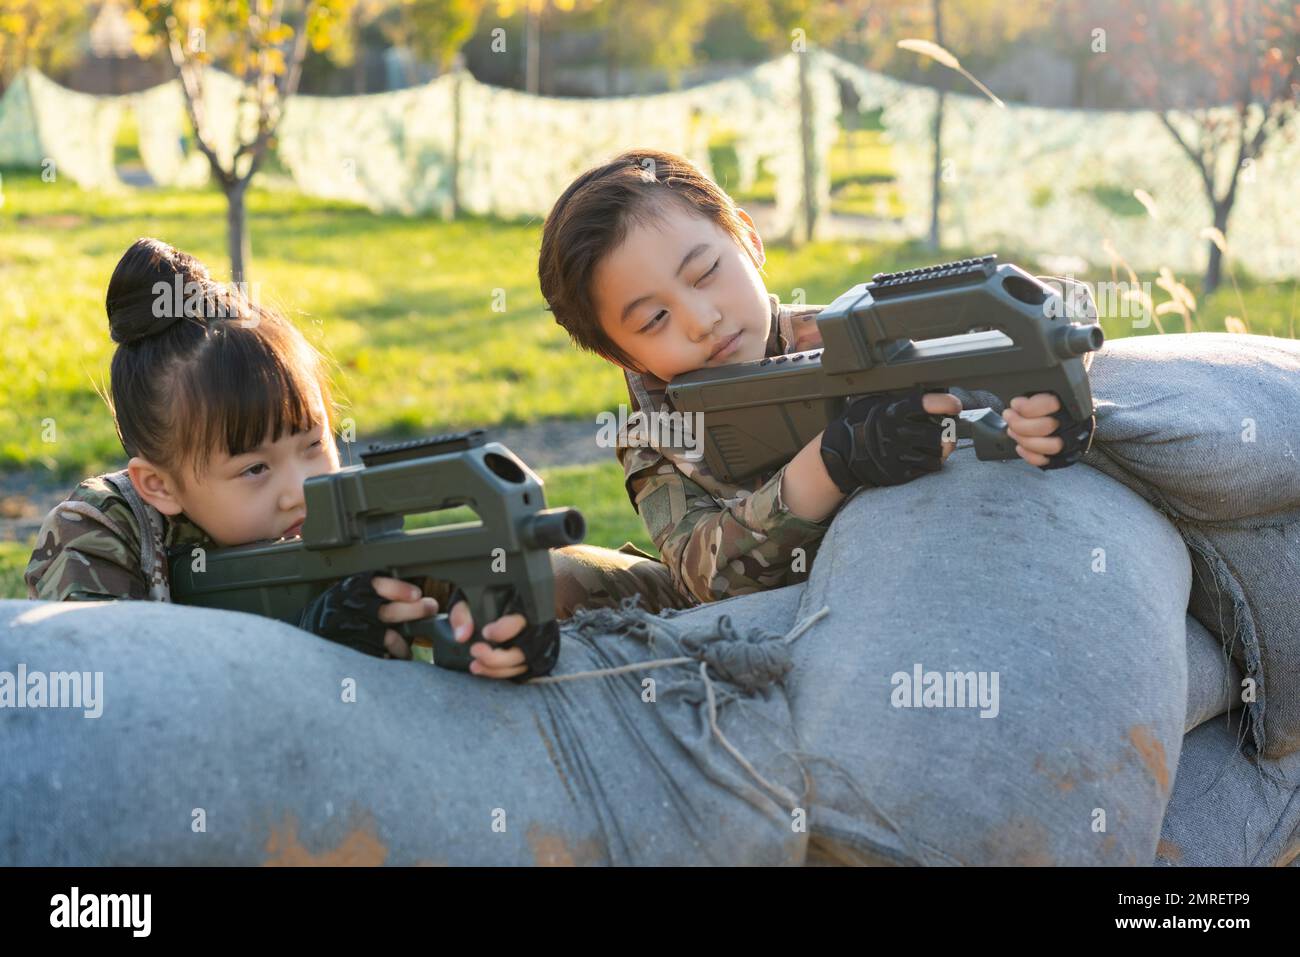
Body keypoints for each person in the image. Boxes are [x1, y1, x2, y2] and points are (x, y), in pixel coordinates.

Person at [537, 148, 1096, 606]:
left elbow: (1050, 307)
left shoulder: (844, 335)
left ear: (749, 240)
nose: (702, 320)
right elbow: (705, 577)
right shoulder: (656, 436)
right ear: (622, 356)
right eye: (654, 319)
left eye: (705, 272)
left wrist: (1048, 398)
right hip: (759, 617)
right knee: (552, 578)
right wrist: (833, 462)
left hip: (907, 578)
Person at [24, 238, 552, 679]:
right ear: (159, 486)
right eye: (254, 468)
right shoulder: (98, 532)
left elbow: (446, 591)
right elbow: (112, 697)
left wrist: (502, 630)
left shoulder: (342, 517)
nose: (299, 490)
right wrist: (303, 645)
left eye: (313, 445)